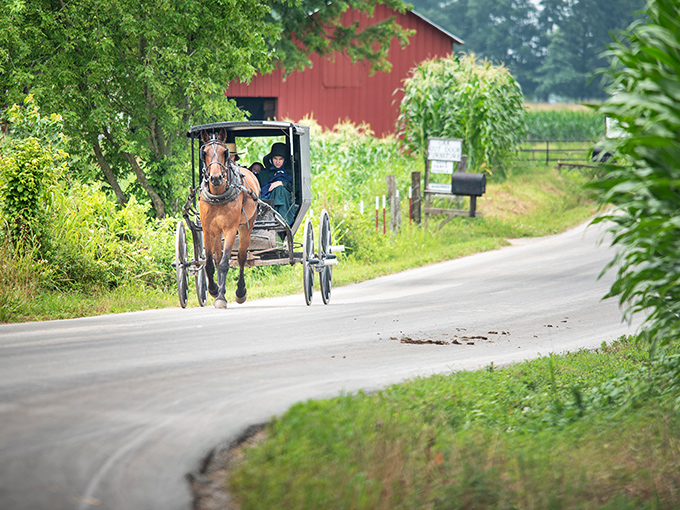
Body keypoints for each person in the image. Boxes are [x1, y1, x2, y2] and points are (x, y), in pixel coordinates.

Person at [257, 142, 295, 226]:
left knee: (280, 189)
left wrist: (282, 183)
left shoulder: (291, 174)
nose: (277, 162)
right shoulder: (264, 174)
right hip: (265, 201)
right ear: (271, 159)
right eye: (275, 158)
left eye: (280, 159)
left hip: (286, 201)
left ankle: (281, 220)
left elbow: (297, 188)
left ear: (285, 160)